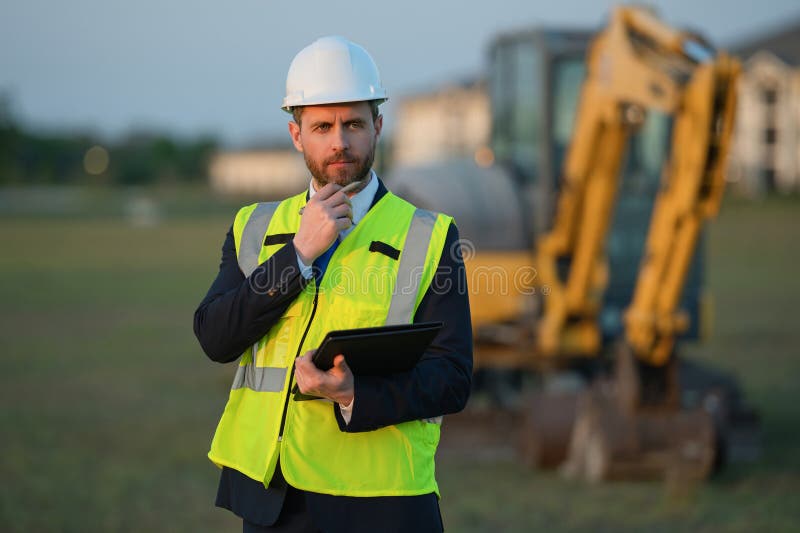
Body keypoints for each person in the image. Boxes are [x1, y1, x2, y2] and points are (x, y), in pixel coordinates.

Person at [193, 35, 473, 533]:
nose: (339, 141)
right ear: (296, 134)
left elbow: (452, 378)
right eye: (322, 126)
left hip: (382, 503)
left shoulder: (430, 237)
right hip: (274, 502)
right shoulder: (254, 226)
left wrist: (353, 395)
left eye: (354, 124)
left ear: (378, 126)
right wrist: (297, 256)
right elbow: (215, 337)